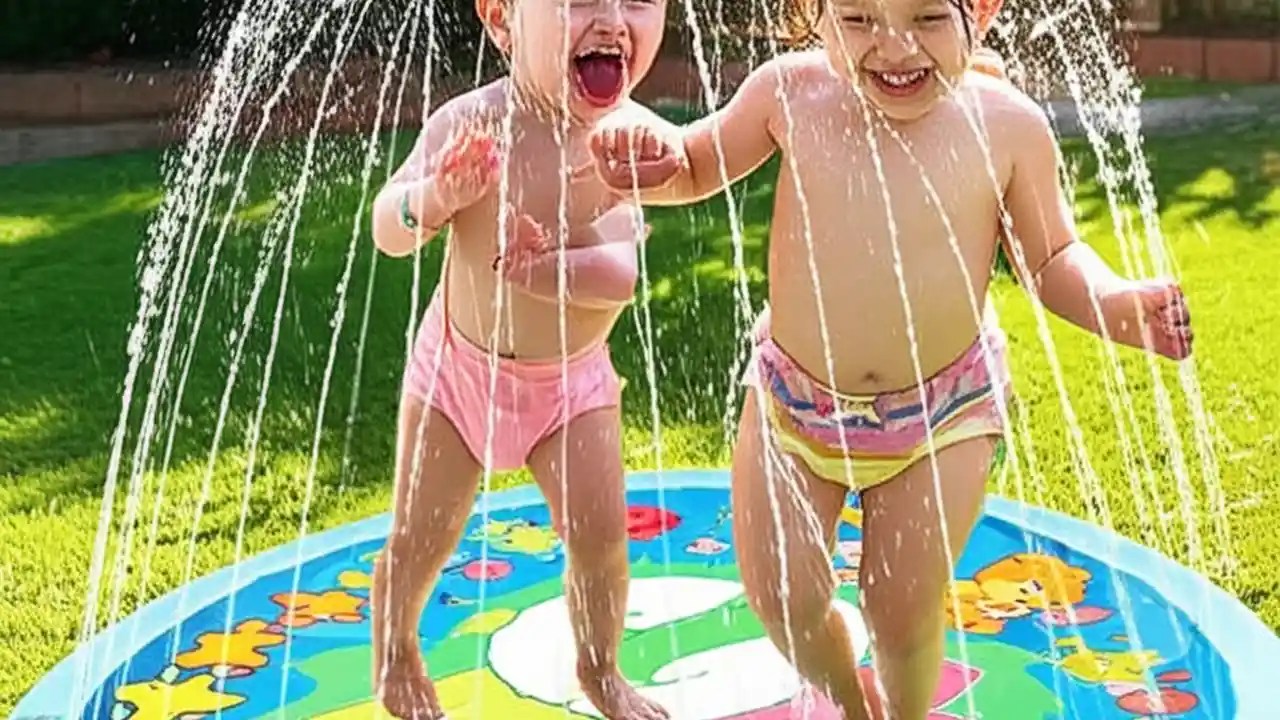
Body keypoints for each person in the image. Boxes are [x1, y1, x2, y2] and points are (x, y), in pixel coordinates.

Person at [588, 0, 1193, 718]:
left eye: (929, 19)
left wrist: (1118, 304)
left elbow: (1052, 256)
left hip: (943, 413)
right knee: (782, 597)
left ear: (983, 11)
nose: (893, 48)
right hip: (794, 400)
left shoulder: (1005, 126)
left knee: (900, 615)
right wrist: (647, 159)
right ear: (820, 15)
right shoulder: (791, 93)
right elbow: (693, 162)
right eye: (858, 20)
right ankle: (852, 697)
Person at [366, 0, 680, 718]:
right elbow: (389, 228)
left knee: (601, 542)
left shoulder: (625, 141)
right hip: (456, 374)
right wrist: (435, 196)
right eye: (579, 2)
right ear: (502, 19)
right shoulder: (469, 125)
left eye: (635, 0)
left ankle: (601, 670)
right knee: (420, 534)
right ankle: (395, 653)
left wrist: (543, 268)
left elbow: (621, 276)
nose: (610, 22)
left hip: (569, 389)